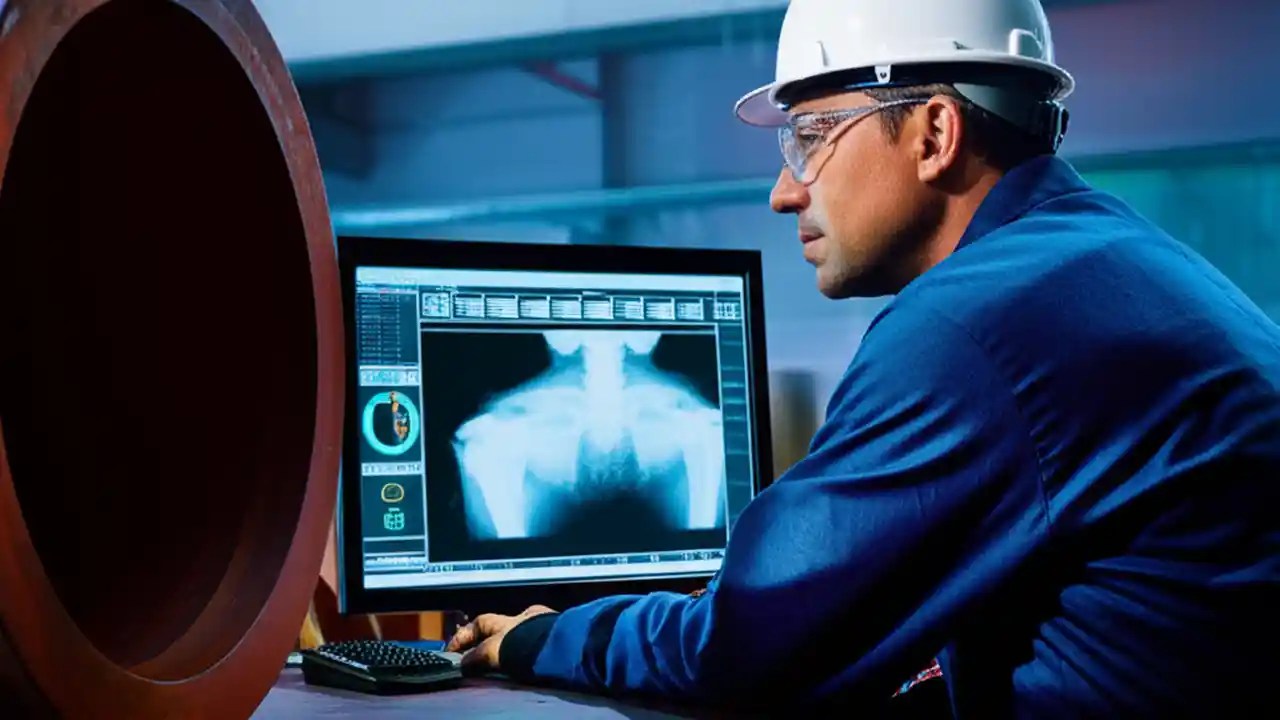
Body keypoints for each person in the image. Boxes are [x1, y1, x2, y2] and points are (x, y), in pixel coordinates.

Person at [446, 0, 1280, 716]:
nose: (784, 191)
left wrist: (544, 637)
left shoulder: (973, 324)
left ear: (934, 134)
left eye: (811, 137)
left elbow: (744, 648)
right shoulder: (1128, 263)